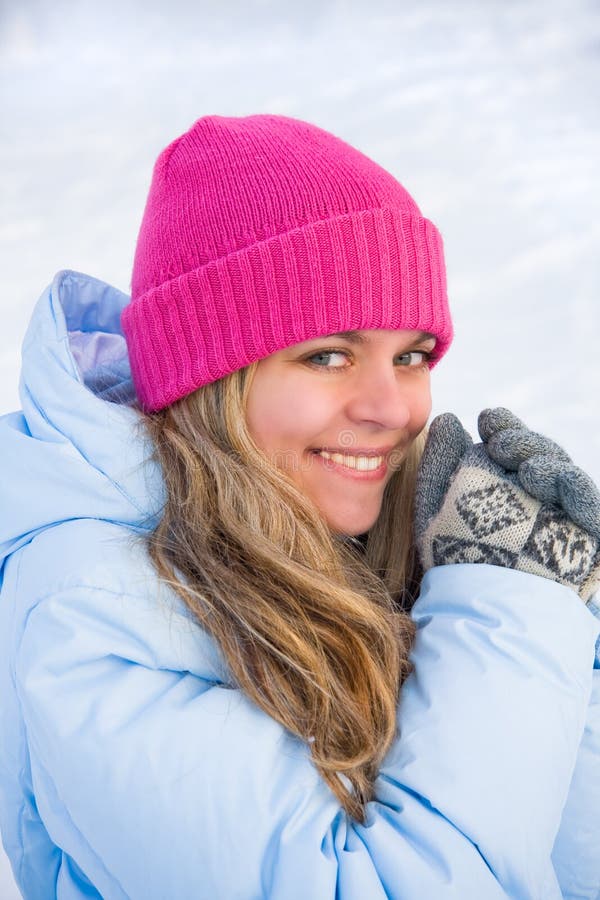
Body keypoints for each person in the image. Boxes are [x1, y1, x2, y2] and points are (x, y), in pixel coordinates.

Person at [0, 113, 598, 900]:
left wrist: (567, 629)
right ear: (212, 378)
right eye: (328, 355)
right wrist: (513, 609)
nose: (392, 408)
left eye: (411, 355)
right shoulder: (93, 615)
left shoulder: (351, 538)